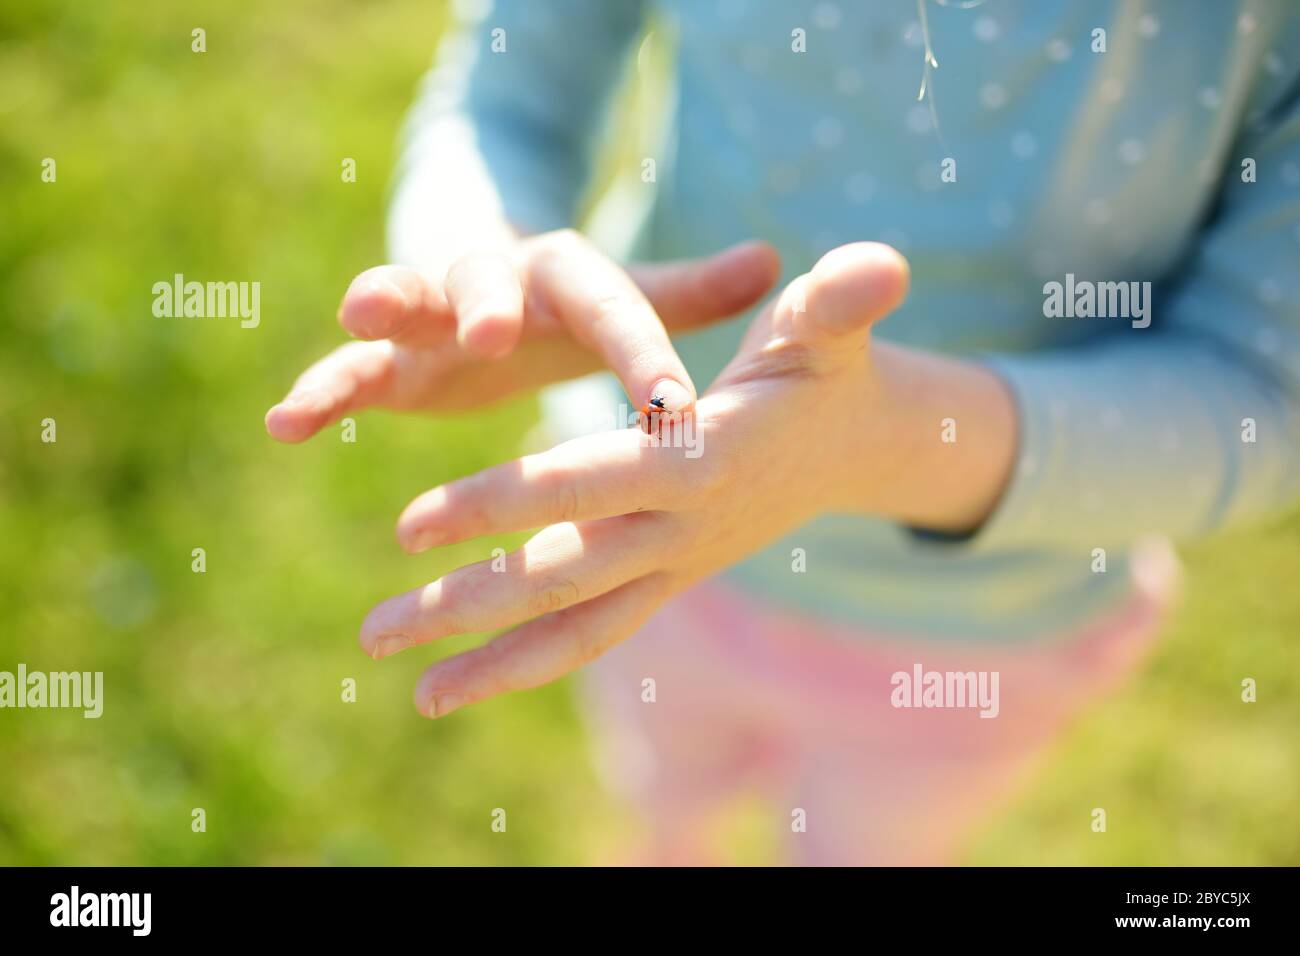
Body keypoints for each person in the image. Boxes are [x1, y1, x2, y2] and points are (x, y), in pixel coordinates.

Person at [266, 1, 1300, 864]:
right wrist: (480, 253)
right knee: (660, 775)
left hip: (977, 640)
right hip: (643, 560)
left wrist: (879, 439)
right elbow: (506, 88)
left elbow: (1258, 386)